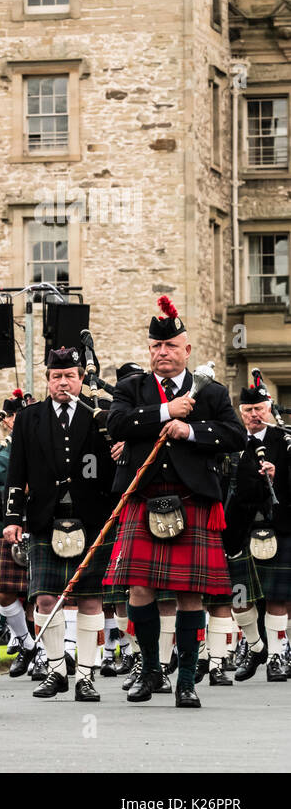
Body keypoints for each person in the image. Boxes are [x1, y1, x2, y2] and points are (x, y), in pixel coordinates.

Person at [103, 296, 245, 707]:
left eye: (170, 346)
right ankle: (150, 671)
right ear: (149, 351)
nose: (162, 353)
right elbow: (117, 424)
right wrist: (166, 411)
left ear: (186, 350)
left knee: (190, 594)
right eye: (155, 347)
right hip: (144, 496)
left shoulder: (212, 393)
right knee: (140, 589)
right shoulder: (132, 388)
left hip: (193, 498)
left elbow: (234, 437)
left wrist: (191, 432)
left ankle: (186, 679)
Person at [4, 347, 115, 702]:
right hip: (44, 518)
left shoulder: (100, 417)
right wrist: (11, 518)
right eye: (56, 377)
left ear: (81, 379)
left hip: (91, 518)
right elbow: (15, 472)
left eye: (70, 376)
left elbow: (112, 472)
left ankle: (85, 676)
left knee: (90, 599)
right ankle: (55, 670)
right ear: (48, 380)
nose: (63, 383)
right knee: (46, 598)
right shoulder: (29, 418)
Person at [227, 375, 291, 681]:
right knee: (240, 597)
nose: (254, 414)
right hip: (239, 530)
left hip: (279, 528)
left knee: (278, 598)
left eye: (259, 408)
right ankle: (254, 646)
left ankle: (277, 656)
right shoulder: (232, 442)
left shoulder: (285, 442)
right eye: (248, 409)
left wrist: (277, 475)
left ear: (269, 408)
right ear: (241, 412)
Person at [0, 388, 39, 678]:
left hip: (40, 523)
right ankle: (26, 643)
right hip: (4, 526)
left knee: (37, 597)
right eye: (17, 415)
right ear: (8, 421)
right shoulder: (0, 451)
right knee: (5, 593)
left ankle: (41, 654)